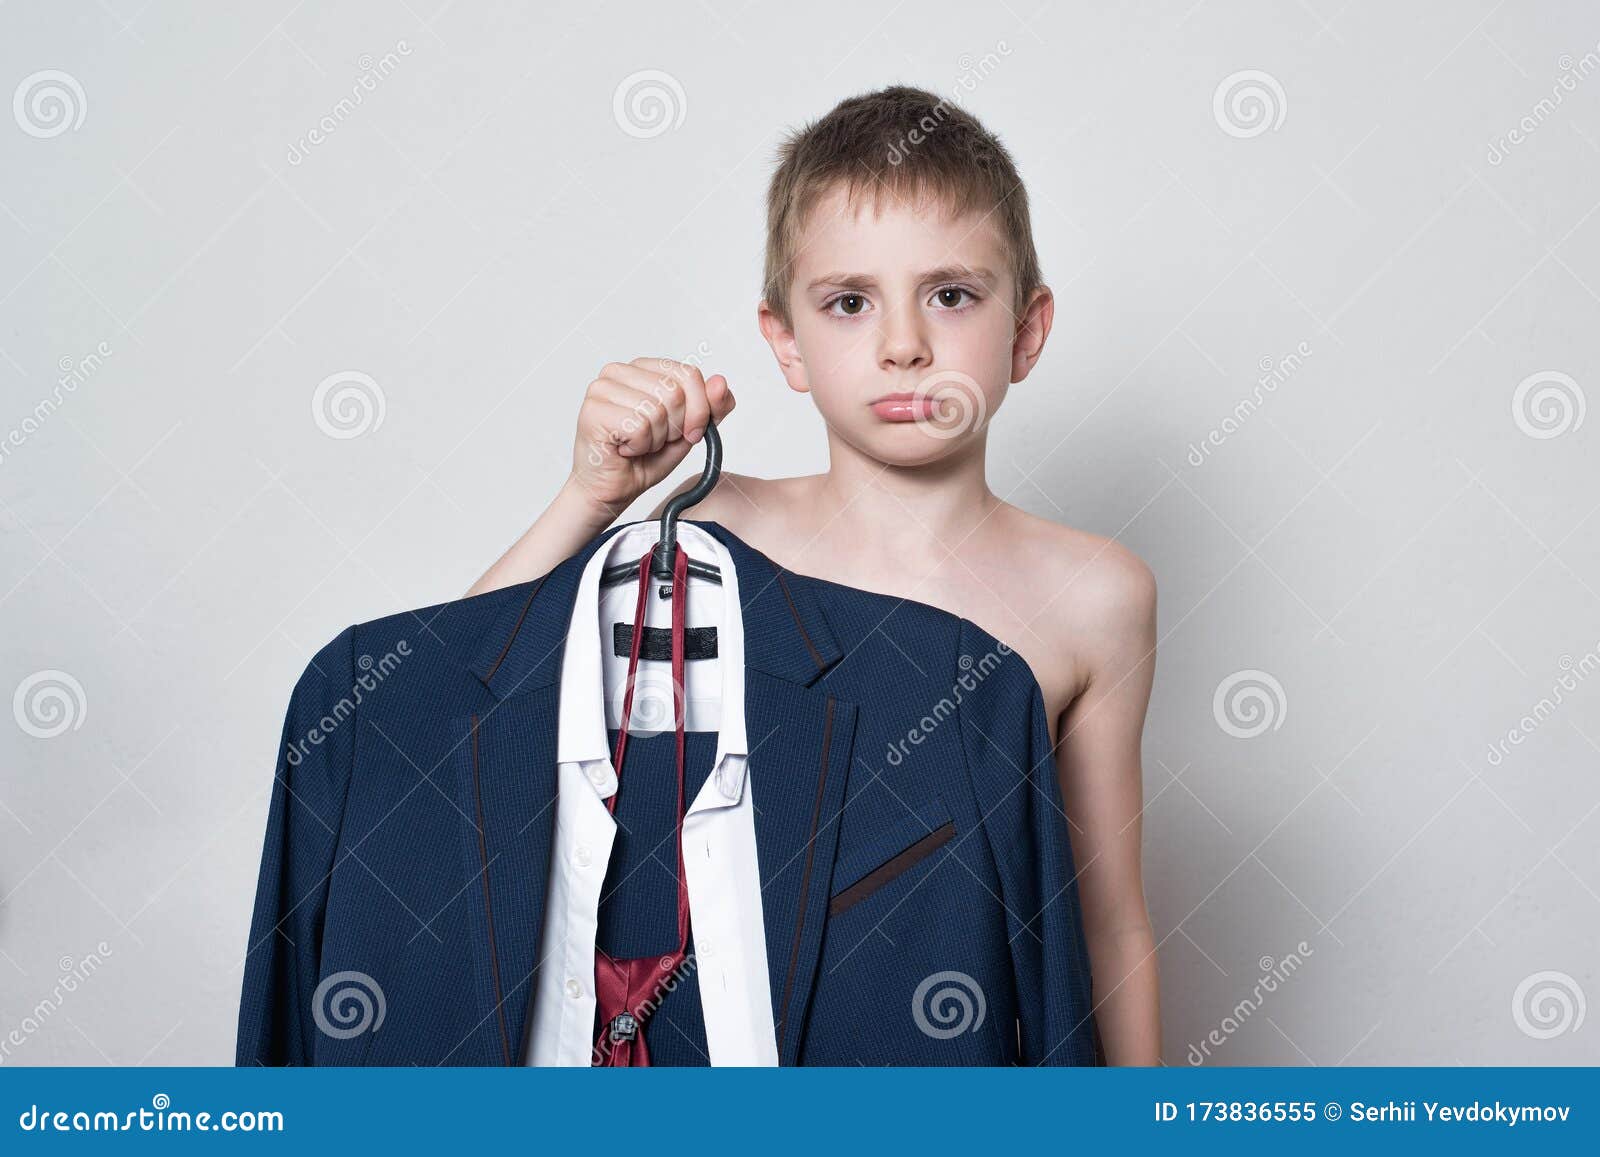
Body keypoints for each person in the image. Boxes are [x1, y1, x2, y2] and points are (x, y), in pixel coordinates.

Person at [464, 84, 1162, 1065]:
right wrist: (590, 496)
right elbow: (451, 717)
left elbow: (1105, 920)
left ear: (1026, 329)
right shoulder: (710, 533)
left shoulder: (1093, 594)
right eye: (849, 303)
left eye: (951, 295)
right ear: (786, 342)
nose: (903, 344)